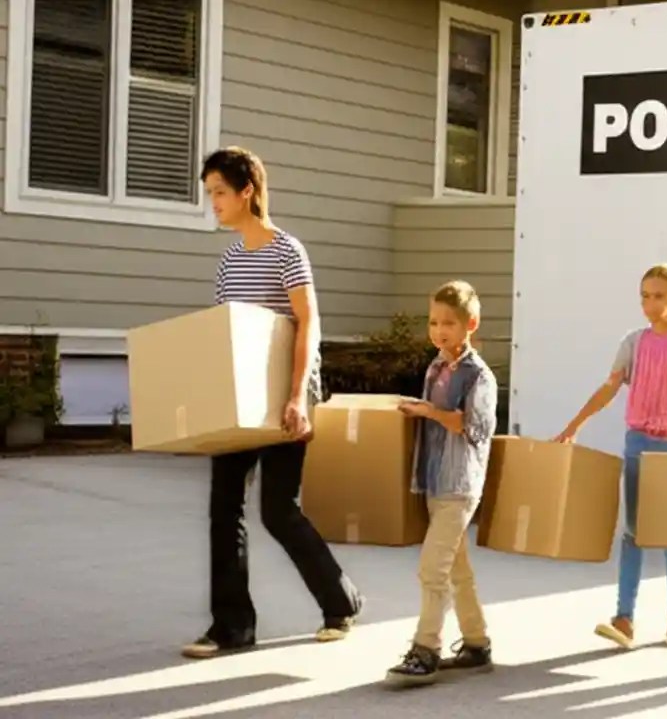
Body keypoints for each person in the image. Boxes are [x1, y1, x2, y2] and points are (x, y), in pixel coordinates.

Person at [183, 146, 364, 659]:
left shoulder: (287, 250)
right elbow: (229, 336)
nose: (213, 202)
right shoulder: (230, 260)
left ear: (247, 191)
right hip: (239, 403)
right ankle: (232, 627)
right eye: (209, 193)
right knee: (224, 510)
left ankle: (340, 603)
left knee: (278, 512)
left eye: (219, 192)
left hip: (285, 397)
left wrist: (297, 397)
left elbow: (308, 323)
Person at [554, 263, 667, 650]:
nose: (650, 304)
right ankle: (624, 617)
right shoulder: (634, 342)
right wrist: (575, 424)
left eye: (659, 296)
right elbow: (609, 387)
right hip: (638, 442)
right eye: (645, 296)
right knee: (632, 532)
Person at [385, 280, 499, 686]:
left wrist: (430, 411)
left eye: (449, 323)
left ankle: (425, 650)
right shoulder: (435, 366)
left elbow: (473, 427)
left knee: (433, 569)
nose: (439, 331)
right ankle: (476, 643)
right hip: (434, 480)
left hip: (460, 484)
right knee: (457, 570)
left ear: (472, 323)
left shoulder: (478, 375)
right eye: (433, 322)